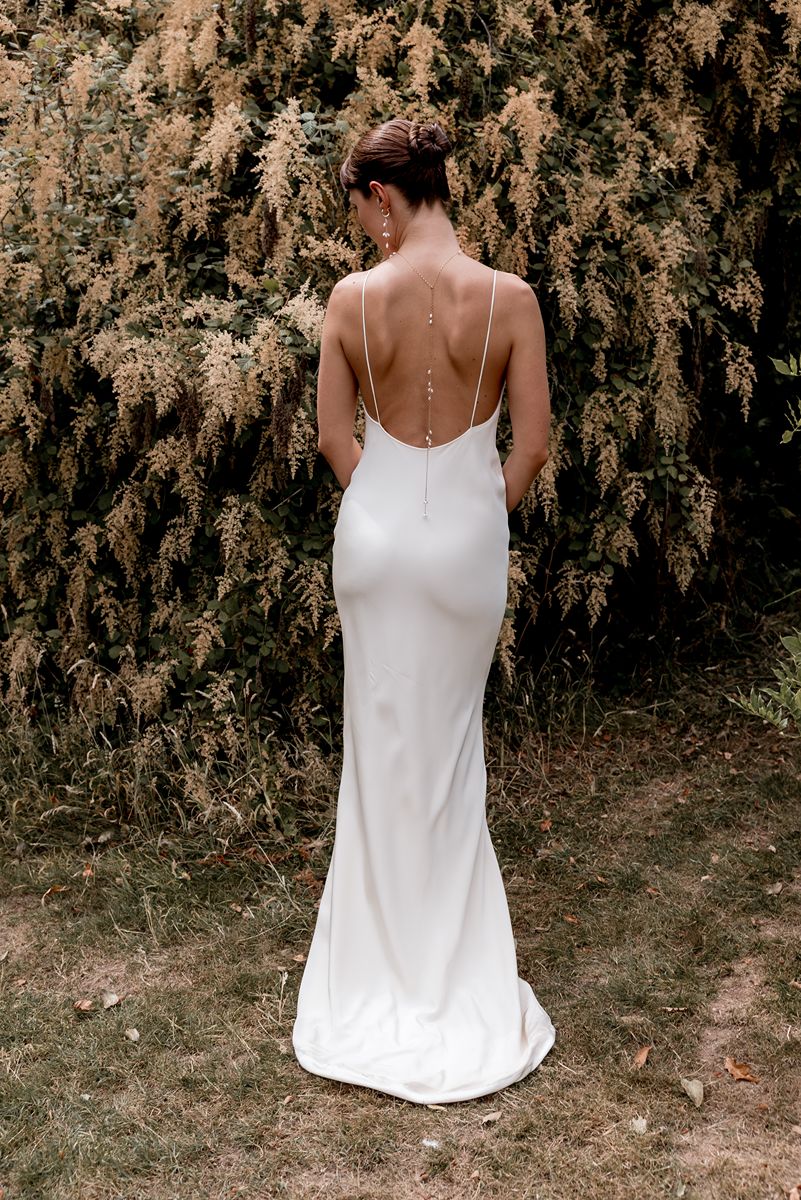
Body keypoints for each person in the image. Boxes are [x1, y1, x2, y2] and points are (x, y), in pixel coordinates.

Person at [291, 116, 554, 1104]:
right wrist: (471, 519)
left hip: (375, 541)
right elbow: (526, 446)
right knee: (449, 750)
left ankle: (377, 966)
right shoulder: (513, 299)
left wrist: (391, 510)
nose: (362, 229)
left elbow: (331, 439)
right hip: (465, 549)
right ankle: (448, 969)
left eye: (360, 209)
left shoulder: (354, 299)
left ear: (382, 196)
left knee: (381, 748)